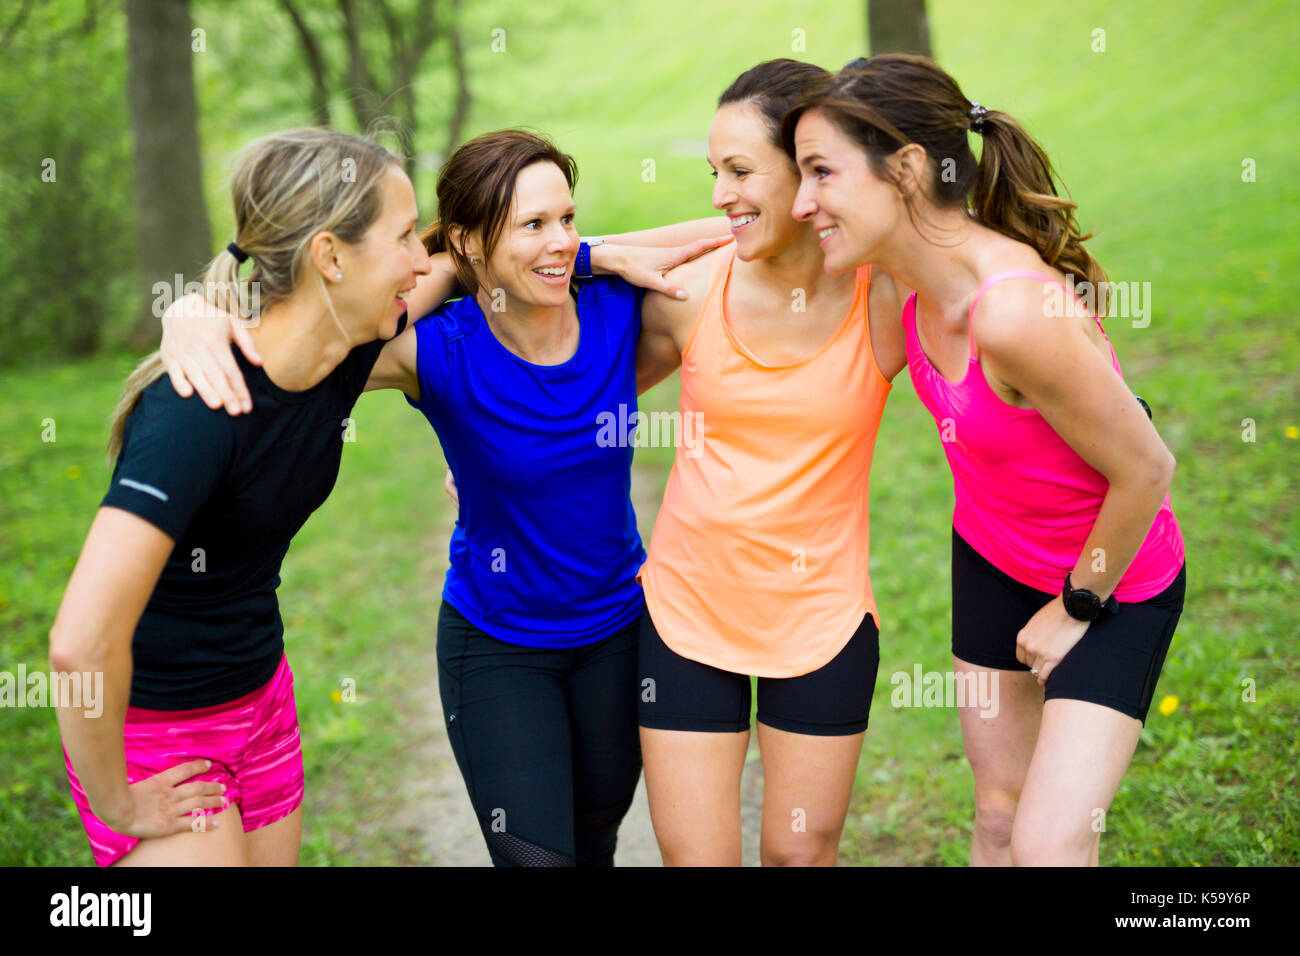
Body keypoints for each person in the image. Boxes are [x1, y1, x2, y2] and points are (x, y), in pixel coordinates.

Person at [156, 128, 730, 866]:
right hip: (496, 644)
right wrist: (191, 314)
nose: (560, 239)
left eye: (568, 219)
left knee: (594, 841)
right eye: (533, 224)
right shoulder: (436, 349)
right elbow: (292, 348)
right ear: (465, 242)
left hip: (618, 630)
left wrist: (588, 253)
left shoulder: (618, 310)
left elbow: (739, 232)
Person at [785, 53, 1186, 865]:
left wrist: (1077, 605)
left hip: (1114, 573)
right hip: (994, 557)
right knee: (998, 816)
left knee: (1045, 847)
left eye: (821, 173)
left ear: (903, 169)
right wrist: (584, 255)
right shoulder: (900, 281)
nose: (802, 203)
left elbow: (1147, 469)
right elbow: (749, 241)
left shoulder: (1014, 313)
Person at [50, 127, 433, 866]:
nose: (421, 259)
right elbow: (77, 644)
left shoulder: (345, 350)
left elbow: (481, 259)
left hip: (260, 705)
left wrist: (588, 255)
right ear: (329, 256)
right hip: (158, 734)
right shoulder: (197, 406)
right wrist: (115, 803)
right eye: (406, 235)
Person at [629, 59, 909, 866]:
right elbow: (572, 391)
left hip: (823, 621)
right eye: (714, 173)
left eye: (741, 171)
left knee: (798, 856)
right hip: (686, 618)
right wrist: (488, 461)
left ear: (810, 171)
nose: (720, 195)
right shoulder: (686, 292)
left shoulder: (882, 299)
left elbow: (986, 337)